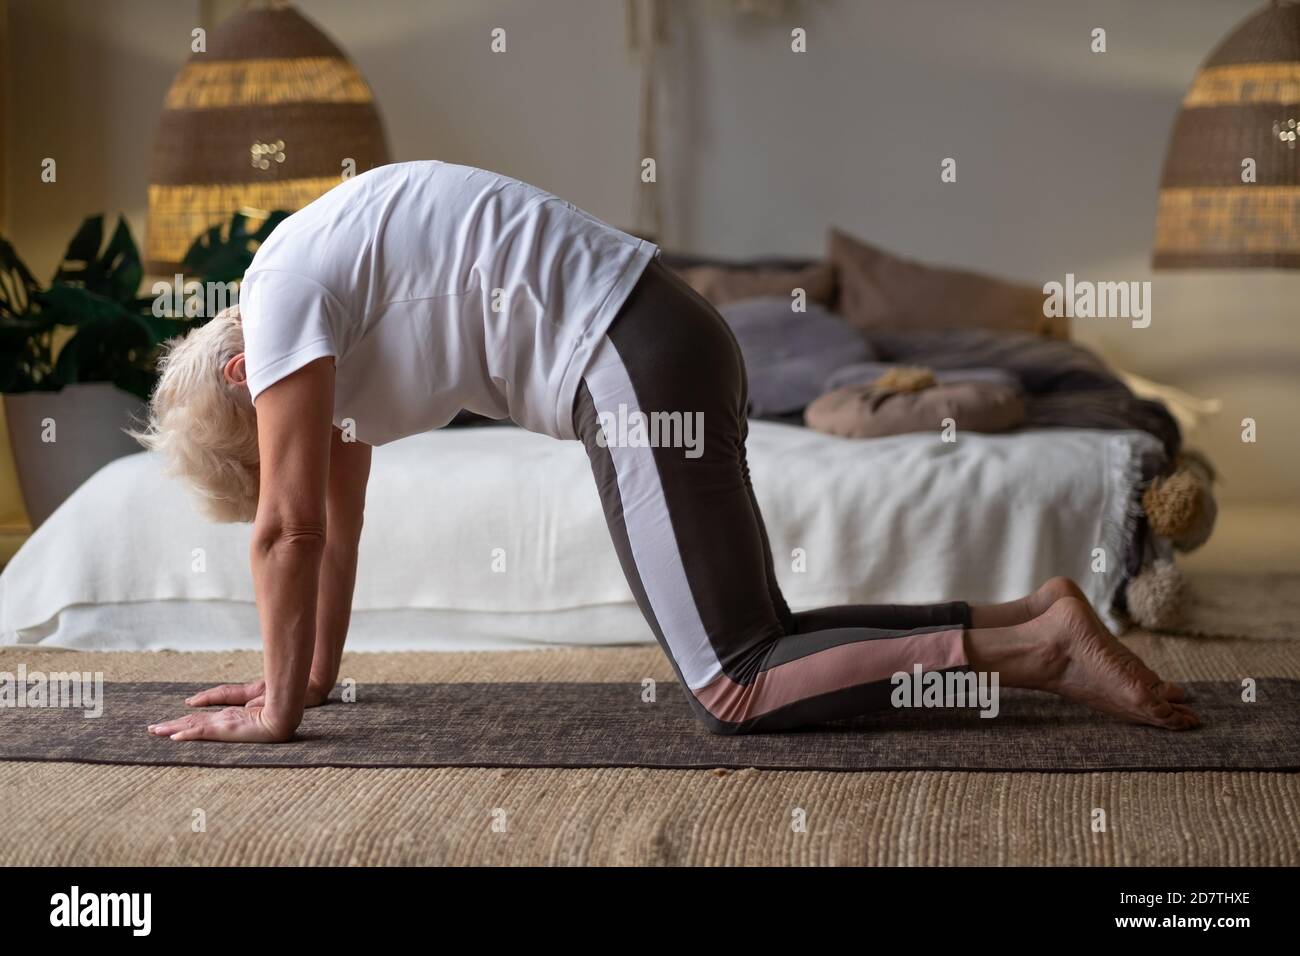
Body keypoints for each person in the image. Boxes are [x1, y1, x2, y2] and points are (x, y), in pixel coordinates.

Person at [136, 161, 1198, 742]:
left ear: (242, 381)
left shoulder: (276, 302)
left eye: (280, 441)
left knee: (733, 683)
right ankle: (1031, 618)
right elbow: (334, 513)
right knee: (756, 639)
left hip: (631, 360)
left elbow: (290, 525)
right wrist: (310, 676)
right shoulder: (319, 308)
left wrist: (273, 713)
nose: (300, 451)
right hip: (666, 338)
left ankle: (1033, 654)